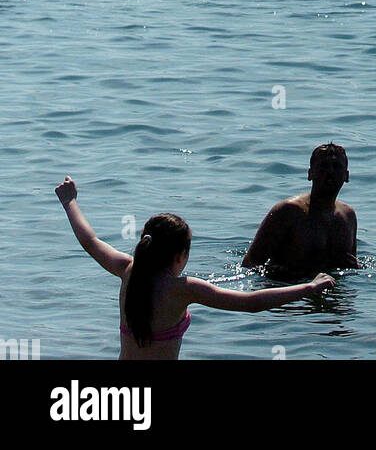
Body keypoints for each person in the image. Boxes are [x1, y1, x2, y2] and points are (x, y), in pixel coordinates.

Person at [55, 176, 333, 361]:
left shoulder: (127, 270)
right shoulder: (183, 289)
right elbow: (251, 303)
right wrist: (308, 287)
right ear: (181, 255)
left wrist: (70, 203)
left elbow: (90, 241)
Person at [242, 143, 358, 278]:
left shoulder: (348, 216)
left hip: (334, 288)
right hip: (287, 286)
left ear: (346, 176)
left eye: (336, 166)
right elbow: (250, 264)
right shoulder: (288, 212)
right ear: (310, 174)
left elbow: (352, 265)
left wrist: (354, 266)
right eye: (323, 166)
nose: (330, 172)